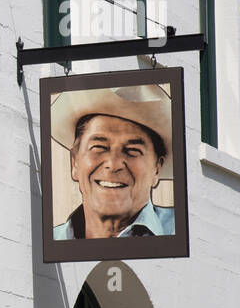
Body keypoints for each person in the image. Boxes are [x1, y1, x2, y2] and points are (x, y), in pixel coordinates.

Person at [50, 83, 175, 239]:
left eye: (133, 150)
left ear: (157, 168)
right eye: (99, 147)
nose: (113, 164)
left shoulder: (182, 230)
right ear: (74, 162)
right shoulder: (52, 239)